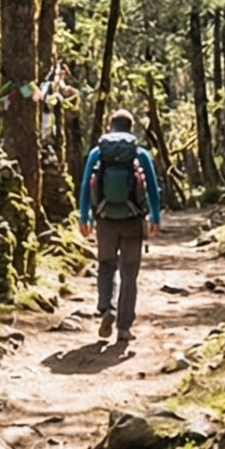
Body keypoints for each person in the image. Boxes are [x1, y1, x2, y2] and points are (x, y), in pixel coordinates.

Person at [78, 109, 163, 345]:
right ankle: (124, 327)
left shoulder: (98, 152)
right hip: (133, 220)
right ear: (130, 128)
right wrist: (155, 218)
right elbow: (153, 188)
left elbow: (86, 185)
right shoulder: (139, 153)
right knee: (129, 273)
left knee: (105, 265)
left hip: (105, 218)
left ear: (110, 126)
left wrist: (83, 216)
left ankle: (107, 308)